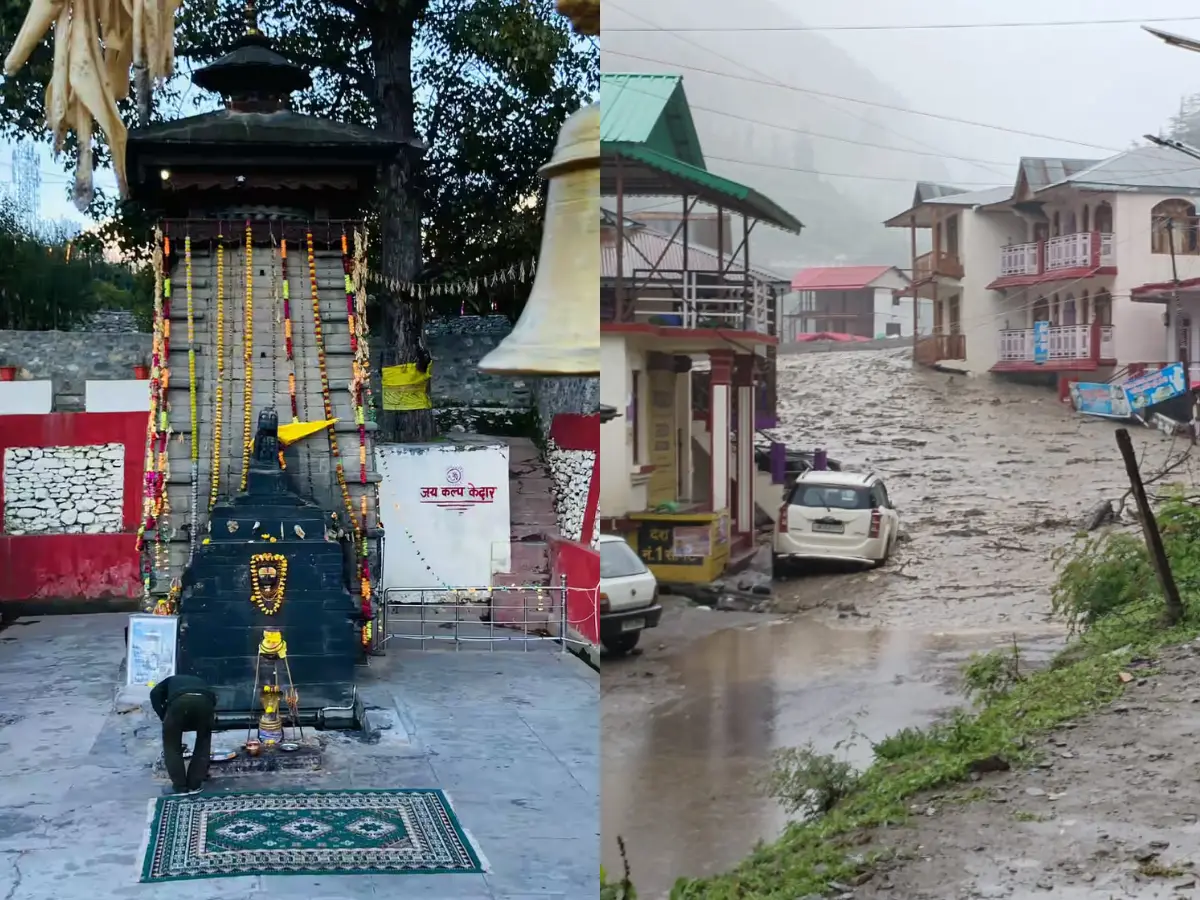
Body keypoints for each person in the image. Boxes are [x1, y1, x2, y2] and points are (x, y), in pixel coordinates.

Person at [150, 674, 218, 794]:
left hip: (179, 702)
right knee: (203, 744)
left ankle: (180, 787)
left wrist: (163, 716)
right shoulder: (199, 680)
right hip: (205, 702)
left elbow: (154, 694)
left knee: (172, 746)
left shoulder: (169, 681)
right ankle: (195, 785)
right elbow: (213, 697)